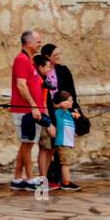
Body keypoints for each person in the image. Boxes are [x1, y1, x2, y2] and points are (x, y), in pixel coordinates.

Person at [9, 30, 47, 190]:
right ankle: (30, 177)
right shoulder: (21, 60)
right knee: (28, 142)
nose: (40, 44)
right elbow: (21, 85)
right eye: (38, 41)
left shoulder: (28, 60)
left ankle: (17, 177)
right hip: (25, 110)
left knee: (27, 142)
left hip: (30, 109)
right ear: (29, 43)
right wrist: (33, 105)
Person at [41, 44, 83, 184]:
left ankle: (60, 174)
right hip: (50, 111)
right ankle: (48, 174)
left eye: (59, 54)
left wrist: (73, 109)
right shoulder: (42, 71)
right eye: (55, 54)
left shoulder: (63, 71)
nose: (58, 57)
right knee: (50, 144)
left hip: (63, 112)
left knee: (62, 142)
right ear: (47, 57)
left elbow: (71, 92)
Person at [50, 89, 81, 191]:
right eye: (70, 100)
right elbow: (53, 105)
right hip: (63, 141)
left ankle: (64, 181)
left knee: (66, 161)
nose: (72, 102)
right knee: (65, 162)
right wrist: (60, 105)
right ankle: (66, 182)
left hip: (68, 141)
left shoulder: (68, 112)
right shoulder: (60, 111)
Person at [35, 54, 58, 186]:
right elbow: (42, 103)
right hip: (43, 117)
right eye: (48, 66)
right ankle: (42, 178)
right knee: (45, 147)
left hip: (48, 115)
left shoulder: (43, 80)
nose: (50, 69)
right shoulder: (39, 81)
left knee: (51, 148)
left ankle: (45, 177)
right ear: (41, 67)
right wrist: (48, 122)